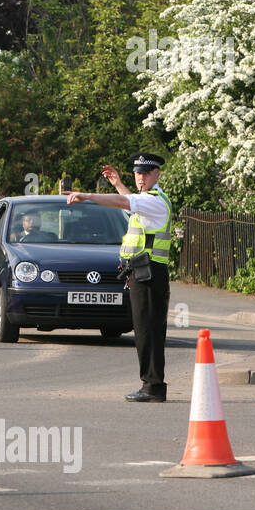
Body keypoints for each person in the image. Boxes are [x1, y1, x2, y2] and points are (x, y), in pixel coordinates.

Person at [66, 153, 172, 402]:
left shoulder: (154, 201)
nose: (141, 177)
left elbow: (122, 202)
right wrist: (118, 183)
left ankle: (152, 386)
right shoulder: (148, 199)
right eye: (138, 173)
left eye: (146, 173)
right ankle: (151, 384)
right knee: (147, 329)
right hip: (144, 272)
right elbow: (129, 199)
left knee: (148, 330)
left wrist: (88, 196)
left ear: (157, 174)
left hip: (149, 273)